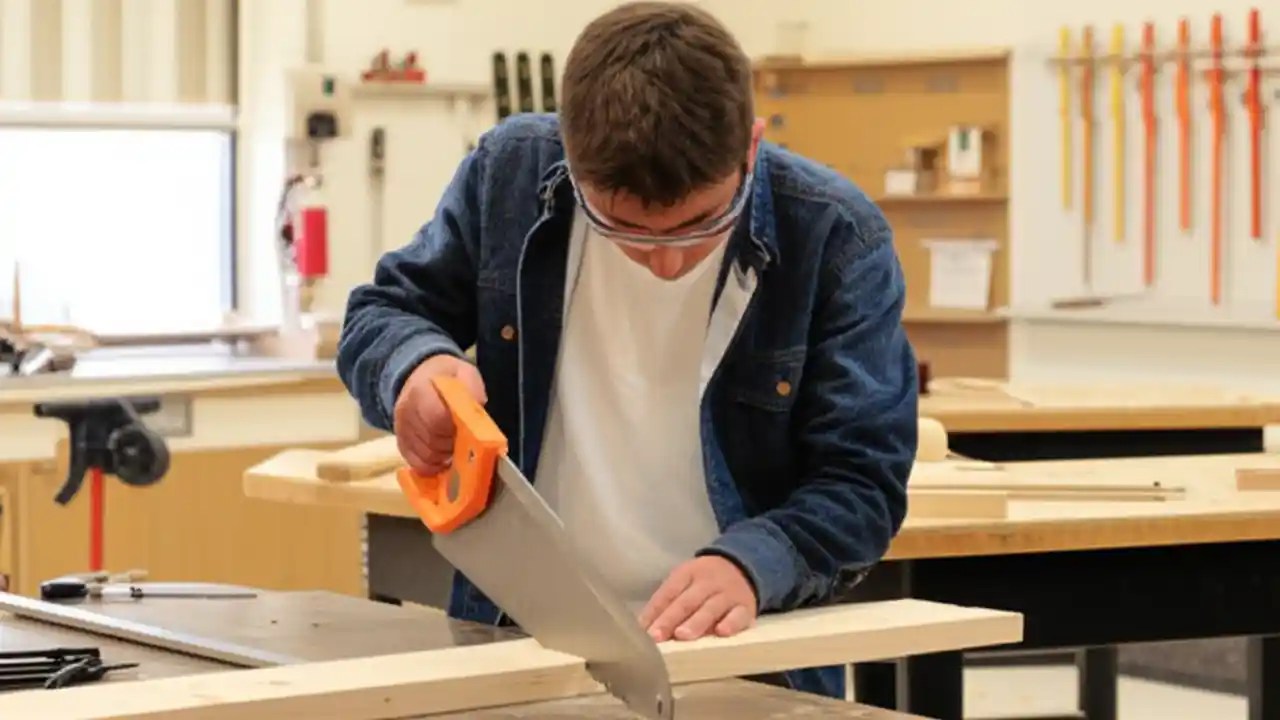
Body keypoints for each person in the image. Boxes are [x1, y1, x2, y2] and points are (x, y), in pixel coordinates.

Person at [336, 1, 917, 699]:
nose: (664, 264)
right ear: (571, 162)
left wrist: (753, 564)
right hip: (521, 642)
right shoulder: (511, 174)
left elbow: (861, 484)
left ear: (752, 147)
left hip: (745, 655)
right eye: (625, 229)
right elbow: (383, 312)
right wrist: (415, 369)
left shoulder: (836, 239)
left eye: (701, 224)